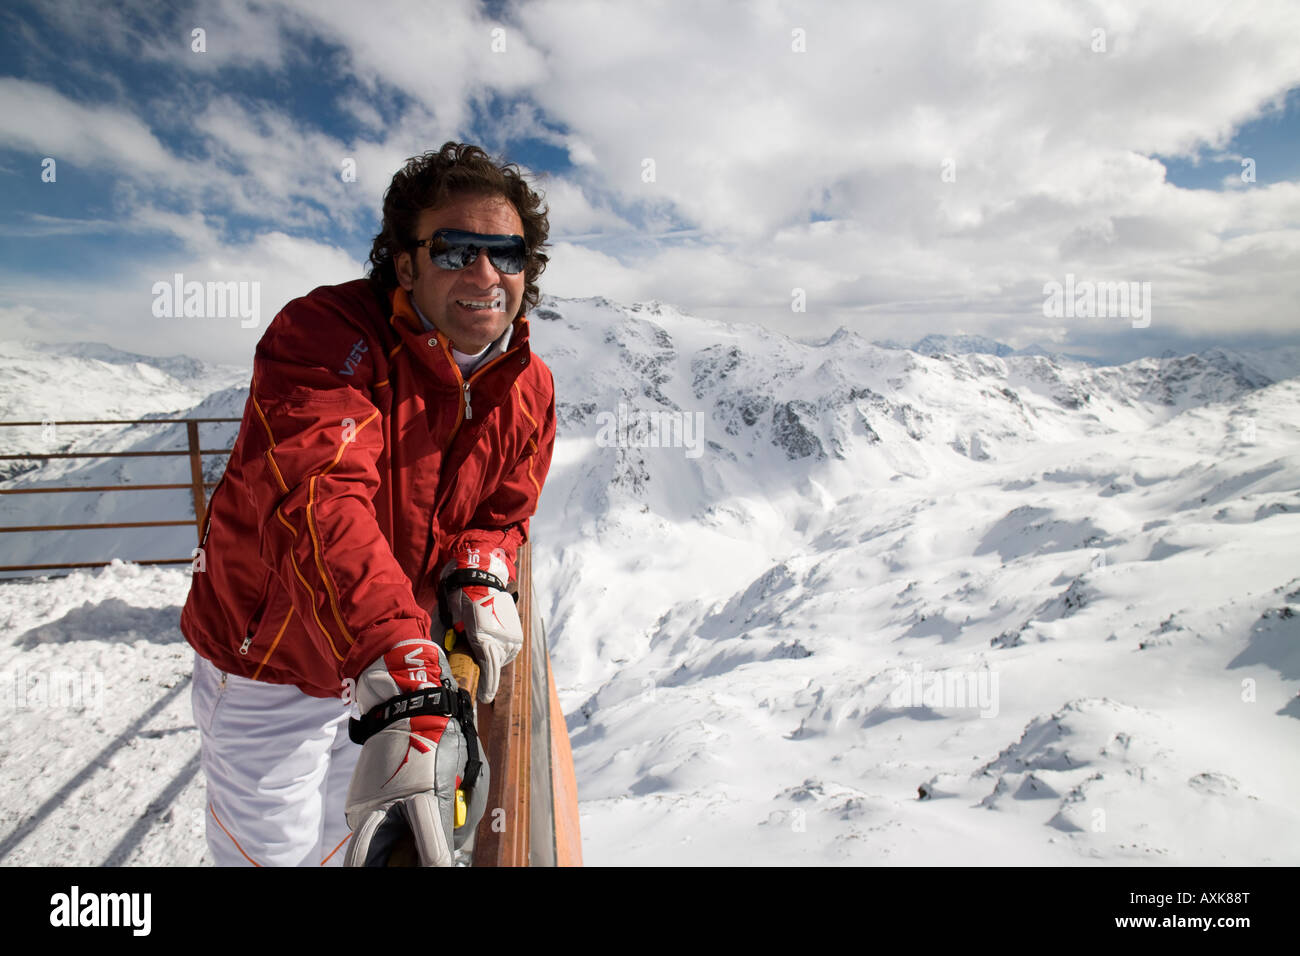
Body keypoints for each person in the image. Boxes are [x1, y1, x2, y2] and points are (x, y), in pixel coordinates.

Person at [180, 141, 557, 867]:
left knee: (340, 844)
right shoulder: (325, 335)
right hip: (274, 661)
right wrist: (393, 643)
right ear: (406, 262)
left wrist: (479, 566)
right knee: (266, 856)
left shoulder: (528, 384)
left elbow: (504, 507)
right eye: (454, 249)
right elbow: (316, 491)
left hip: (391, 664)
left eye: (506, 253)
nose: (485, 273)